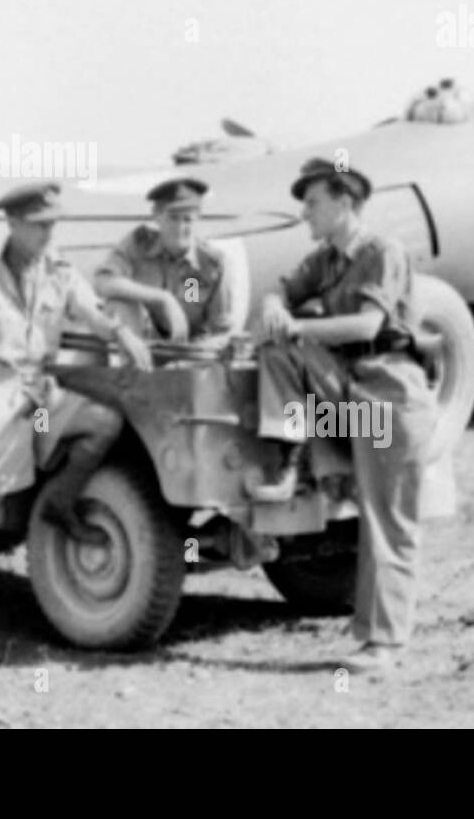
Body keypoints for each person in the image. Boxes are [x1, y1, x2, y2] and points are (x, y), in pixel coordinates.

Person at [0, 182, 153, 662]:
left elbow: (95, 315)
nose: (47, 234)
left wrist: (122, 335)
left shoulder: (60, 272)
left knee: (102, 419)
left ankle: (58, 503)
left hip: (43, 390)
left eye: (53, 225)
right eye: (39, 226)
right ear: (12, 225)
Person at [255, 157, 439, 674]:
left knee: (385, 518)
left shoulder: (383, 252)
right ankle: (293, 458)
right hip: (351, 397)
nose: (305, 213)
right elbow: (283, 289)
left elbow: (366, 324)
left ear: (344, 202)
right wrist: (274, 307)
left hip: (388, 396)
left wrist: (297, 328)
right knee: (275, 350)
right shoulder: (326, 258)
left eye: (312, 202)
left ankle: (386, 644)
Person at [92, 177, 235, 343]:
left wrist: (190, 358)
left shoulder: (211, 264)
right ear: (156, 216)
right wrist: (162, 298)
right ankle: (135, 368)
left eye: (187, 219)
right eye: (173, 218)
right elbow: (103, 281)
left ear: (198, 217)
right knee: (120, 305)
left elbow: (221, 332)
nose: (181, 228)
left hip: (190, 349)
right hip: (144, 342)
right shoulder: (139, 244)